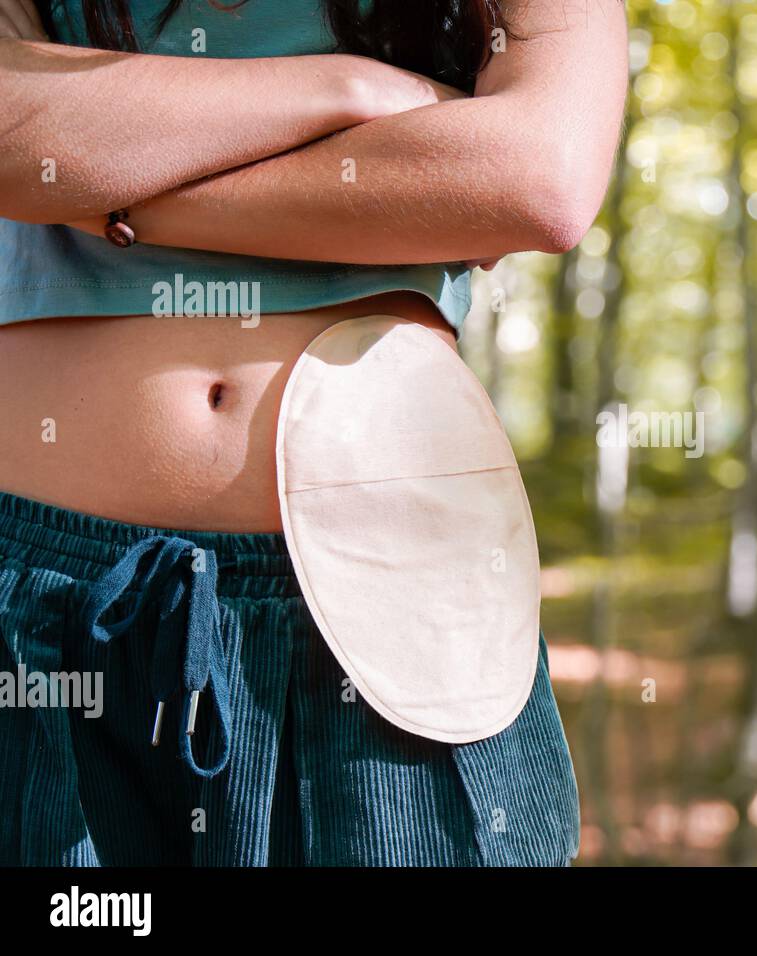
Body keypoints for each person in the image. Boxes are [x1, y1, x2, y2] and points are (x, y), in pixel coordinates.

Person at [0, 0, 627, 866]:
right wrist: (350, 90)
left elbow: (538, 179)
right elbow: (11, 140)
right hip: (29, 588)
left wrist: (109, 190)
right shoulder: (364, 84)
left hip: (390, 598)